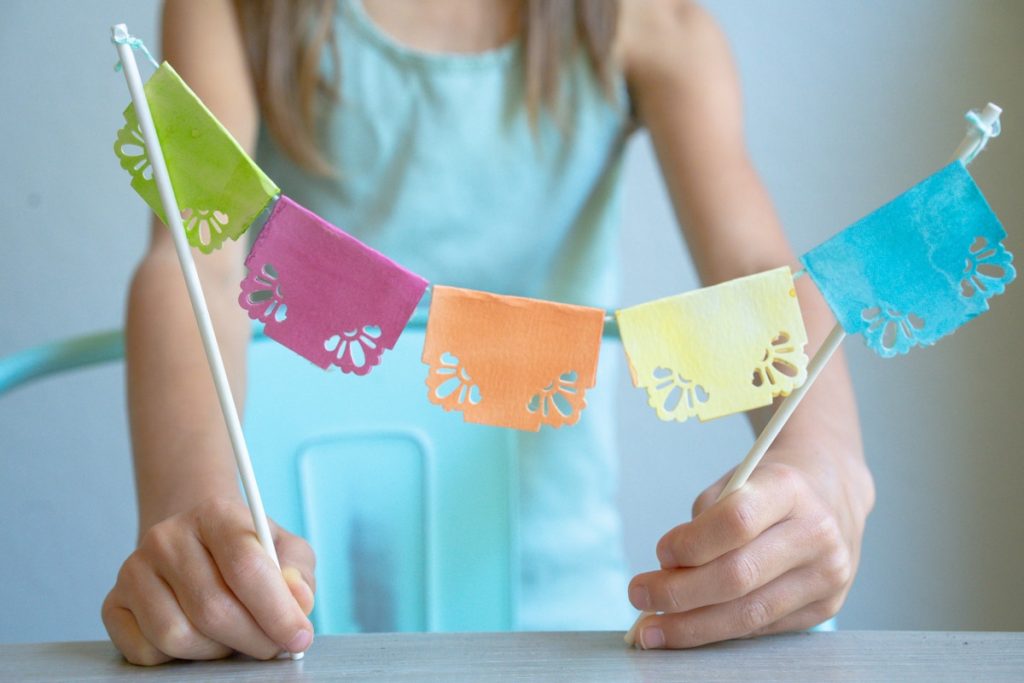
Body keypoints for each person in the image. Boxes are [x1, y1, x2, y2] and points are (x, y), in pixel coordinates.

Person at [103, 0, 875, 665]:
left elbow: (758, 275)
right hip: (277, 606)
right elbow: (192, 259)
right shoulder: (237, 10)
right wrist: (189, 511)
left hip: (563, 612)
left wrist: (827, 467)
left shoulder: (647, 21)